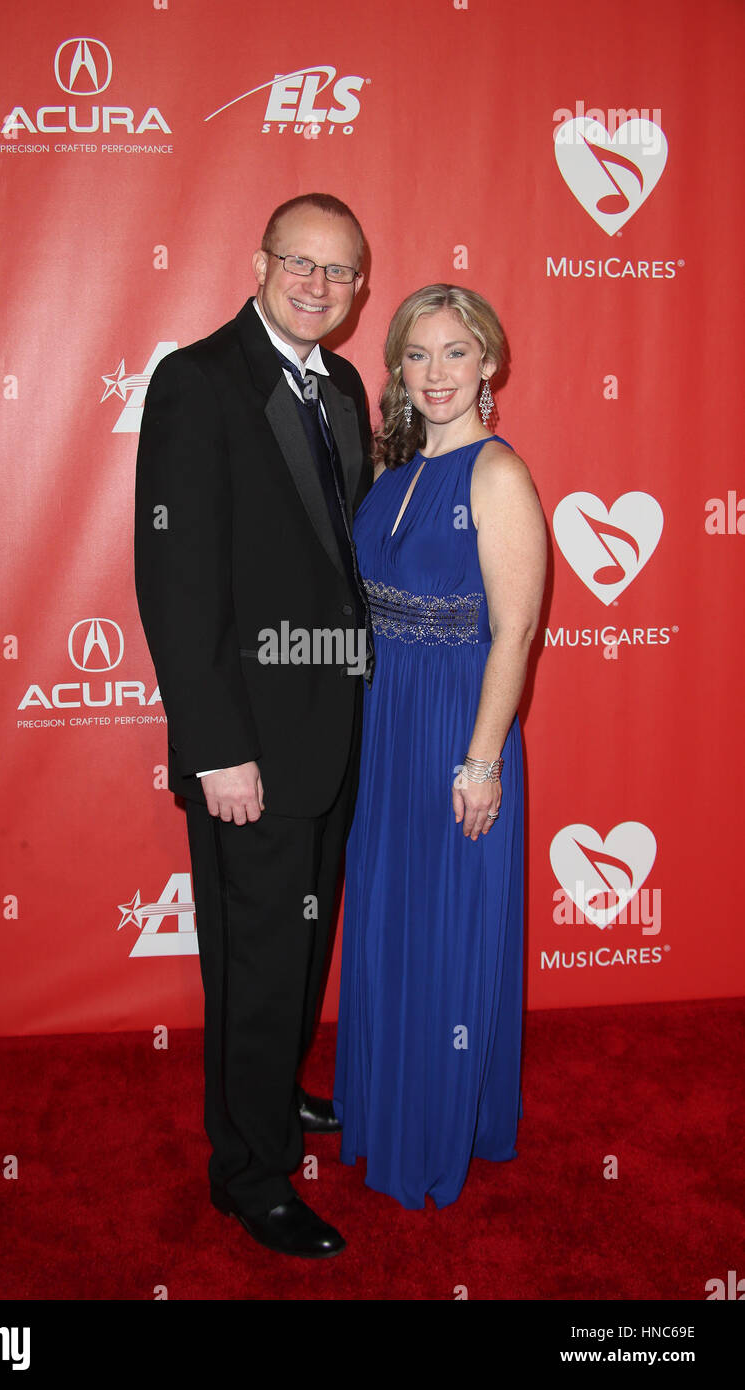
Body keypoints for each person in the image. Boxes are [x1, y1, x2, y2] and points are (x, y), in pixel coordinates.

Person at [134, 194, 373, 1257]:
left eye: (339, 271)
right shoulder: (197, 379)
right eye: (299, 262)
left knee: (302, 939)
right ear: (259, 261)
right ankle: (248, 1168)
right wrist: (215, 745)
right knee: (255, 955)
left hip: (331, 719)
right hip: (248, 742)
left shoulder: (346, 384)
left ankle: (273, 1091)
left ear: (358, 288)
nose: (317, 285)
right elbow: (175, 583)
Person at [333, 284, 546, 1209]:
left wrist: (482, 760)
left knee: (445, 927)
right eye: (417, 356)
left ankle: (436, 1128)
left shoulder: (497, 474)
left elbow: (517, 629)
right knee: (391, 921)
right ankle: (387, 1107)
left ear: (489, 363)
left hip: (454, 724)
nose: (436, 374)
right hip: (385, 722)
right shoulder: (395, 473)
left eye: (456, 353)